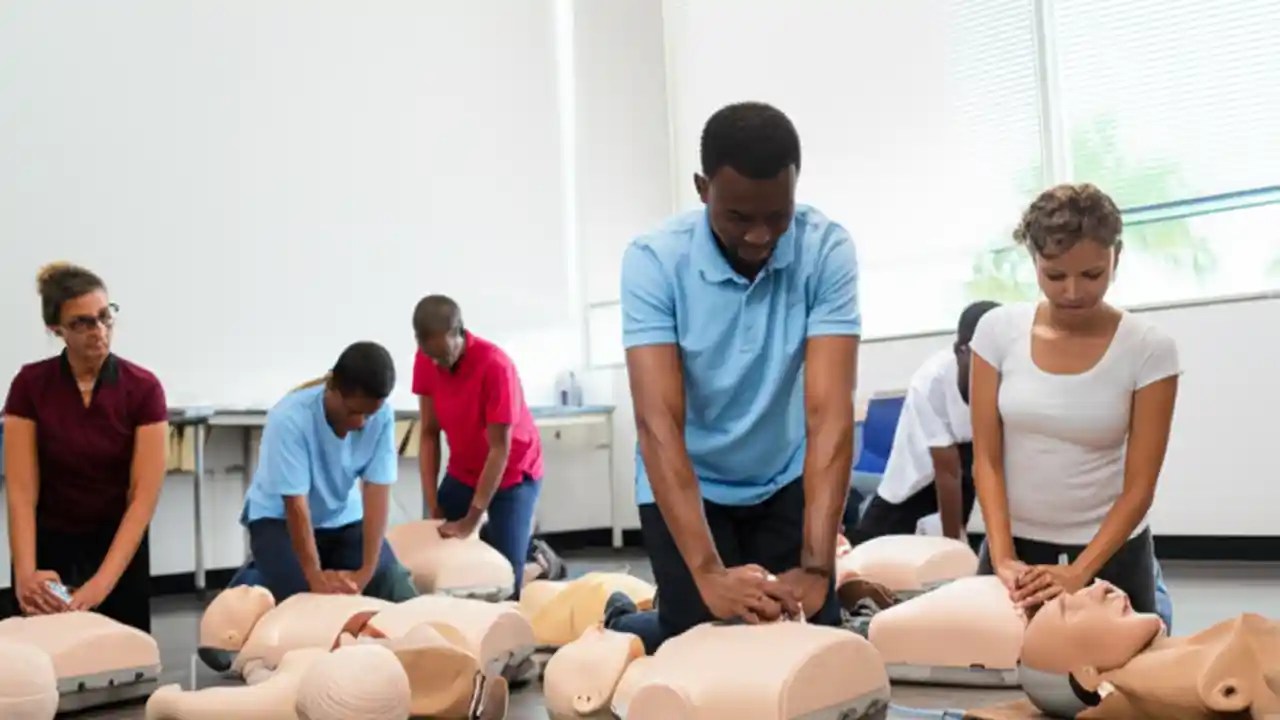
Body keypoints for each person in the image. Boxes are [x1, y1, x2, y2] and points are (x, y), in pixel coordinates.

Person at [607, 101, 861, 651]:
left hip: (780, 476)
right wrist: (706, 573)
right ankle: (624, 620)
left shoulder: (827, 250)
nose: (760, 235)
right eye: (739, 218)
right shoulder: (653, 261)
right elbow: (658, 423)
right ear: (703, 189)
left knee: (807, 640)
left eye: (777, 214)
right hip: (688, 478)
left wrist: (818, 569)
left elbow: (831, 415)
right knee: (703, 641)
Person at [969, 183, 1180, 617]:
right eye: (1055, 275)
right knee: (1000, 675)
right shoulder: (996, 332)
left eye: (1091, 275)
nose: (1071, 292)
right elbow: (986, 459)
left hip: (1111, 550)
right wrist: (1004, 557)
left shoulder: (1149, 348)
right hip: (1015, 547)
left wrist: (1080, 571)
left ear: (1115, 258)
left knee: (1122, 679)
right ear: (1034, 262)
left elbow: (1139, 487)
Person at [1, 263, 168, 632]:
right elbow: (21, 491)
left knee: (123, 665)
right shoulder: (29, 385)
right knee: (46, 664)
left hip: (118, 548)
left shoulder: (143, 388)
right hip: (51, 544)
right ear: (55, 329)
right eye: (82, 323)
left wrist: (101, 584)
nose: (100, 331)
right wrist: (26, 574)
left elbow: (143, 497)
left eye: (105, 317)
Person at [228, 341, 417, 603]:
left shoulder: (382, 416)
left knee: (390, 581)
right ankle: (253, 576)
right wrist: (314, 577)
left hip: (342, 519)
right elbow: (296, 505)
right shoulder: (289, 418)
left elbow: (376, 491)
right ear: (332, 389)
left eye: (368, 414)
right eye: (353, 412)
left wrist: (366, 573)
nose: (360, 423)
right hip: (277, 520)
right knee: (302, 596)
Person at [412, 295, 543, 598]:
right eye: (431, 357)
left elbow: (499, 449)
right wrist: (432, 505)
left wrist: (470, 521)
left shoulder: (495, 365)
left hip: (513, 471)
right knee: (442, 545)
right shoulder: (427, 359)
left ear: (459, 332)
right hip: (464, 470)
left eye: (444, 357)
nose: (438, 365)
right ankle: (496, 535)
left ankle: (538, 562)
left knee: (507, 584)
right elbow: (429, 434)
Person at [848, 300, 1000, 544]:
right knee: (868, 545)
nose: (993, 366)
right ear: (961, 350)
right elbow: (947, 470)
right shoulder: (932, 381)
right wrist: (953, 545)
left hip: (972, 462)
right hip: (920, 472)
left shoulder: (1010, 372)